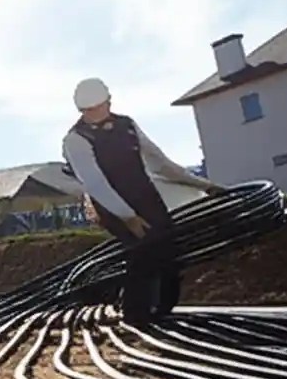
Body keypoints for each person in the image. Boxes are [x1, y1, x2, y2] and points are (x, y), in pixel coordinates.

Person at [62, 77, 225, 325]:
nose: (93, 114)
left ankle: (163, 309)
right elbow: (95, 182)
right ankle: (136, 315)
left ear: (108, 101)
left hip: (145, 195)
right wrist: (127, 216)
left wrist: (204, 185)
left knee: (169, 248)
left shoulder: (126, 126)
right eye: (87, 110)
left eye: (97, 107)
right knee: (143, 250)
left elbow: (161, 163)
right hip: (110, 203)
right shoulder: (76, 139)